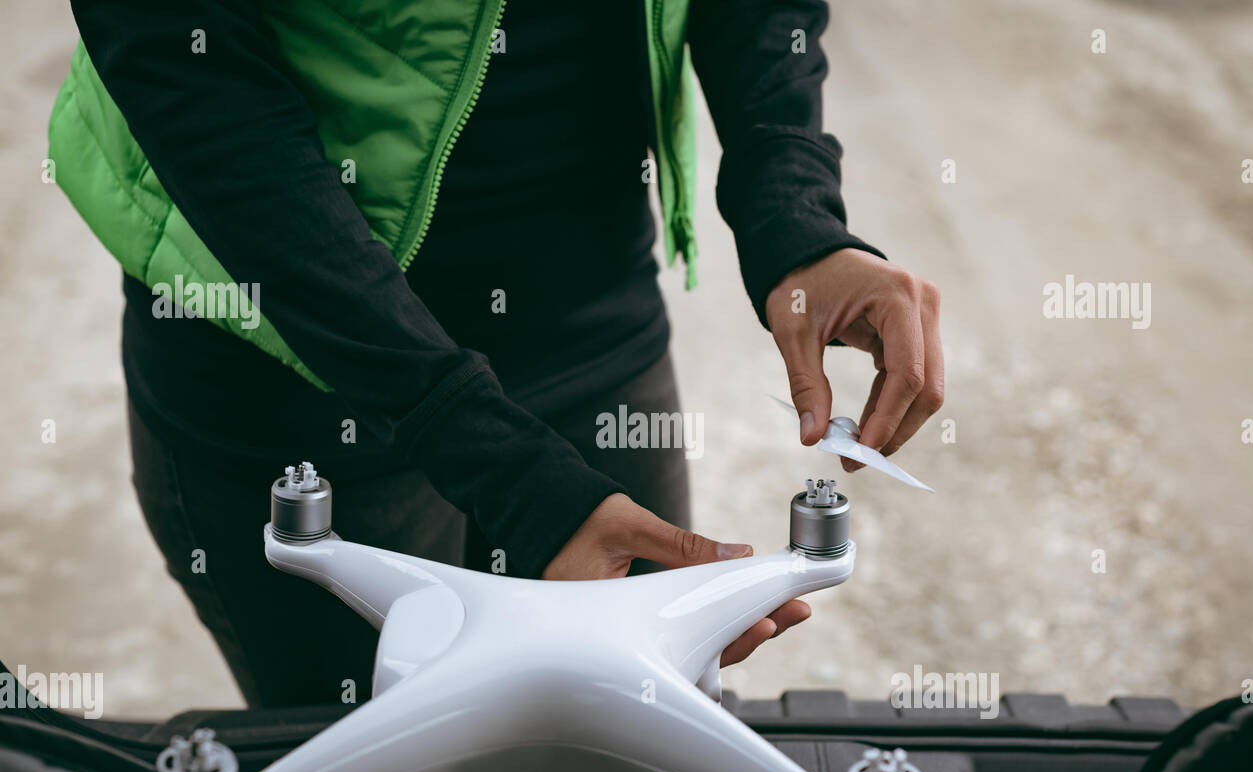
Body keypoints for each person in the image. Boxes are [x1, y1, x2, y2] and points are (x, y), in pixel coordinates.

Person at [51, 0, 943, 707]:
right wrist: (492, 457)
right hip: (307, 370)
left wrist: (795, 213)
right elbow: (185, 60)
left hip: (593, 316)